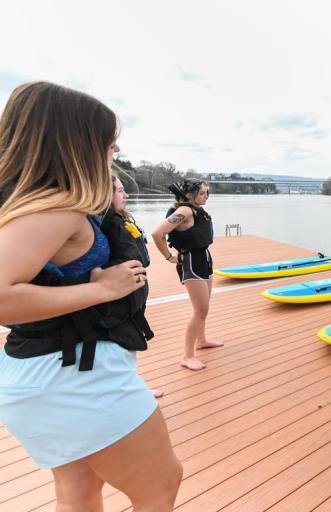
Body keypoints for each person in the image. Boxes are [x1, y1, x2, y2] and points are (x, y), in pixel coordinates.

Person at [0, 82, 181, 510]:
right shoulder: (57, 207)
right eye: (107, 140)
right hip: (74, 376)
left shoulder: (32, 203)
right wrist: (99, 289)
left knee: (78, 489)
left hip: (45, 370)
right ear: (73, 142)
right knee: (161, 485)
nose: (115, 148)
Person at [152, 178, 221, 371]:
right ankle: (187, 356)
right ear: (189, 195)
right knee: (200, 310)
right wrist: (168, 257)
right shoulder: (184, 211)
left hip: (204, 257)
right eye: (202, 193)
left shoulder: (195, 209)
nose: (206, 196)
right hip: (191, 260)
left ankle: (202, 340)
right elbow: (158, 234)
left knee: (204, 307)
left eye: (208, 193)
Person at [106, 173, 165, 398]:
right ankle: (128, 392)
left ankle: (133, 386)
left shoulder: (120, 219)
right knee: (119, 350)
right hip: (116, 304)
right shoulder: (100, 226)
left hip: (132, 301)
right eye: (120, 191)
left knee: (128, 348)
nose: (126, 194)